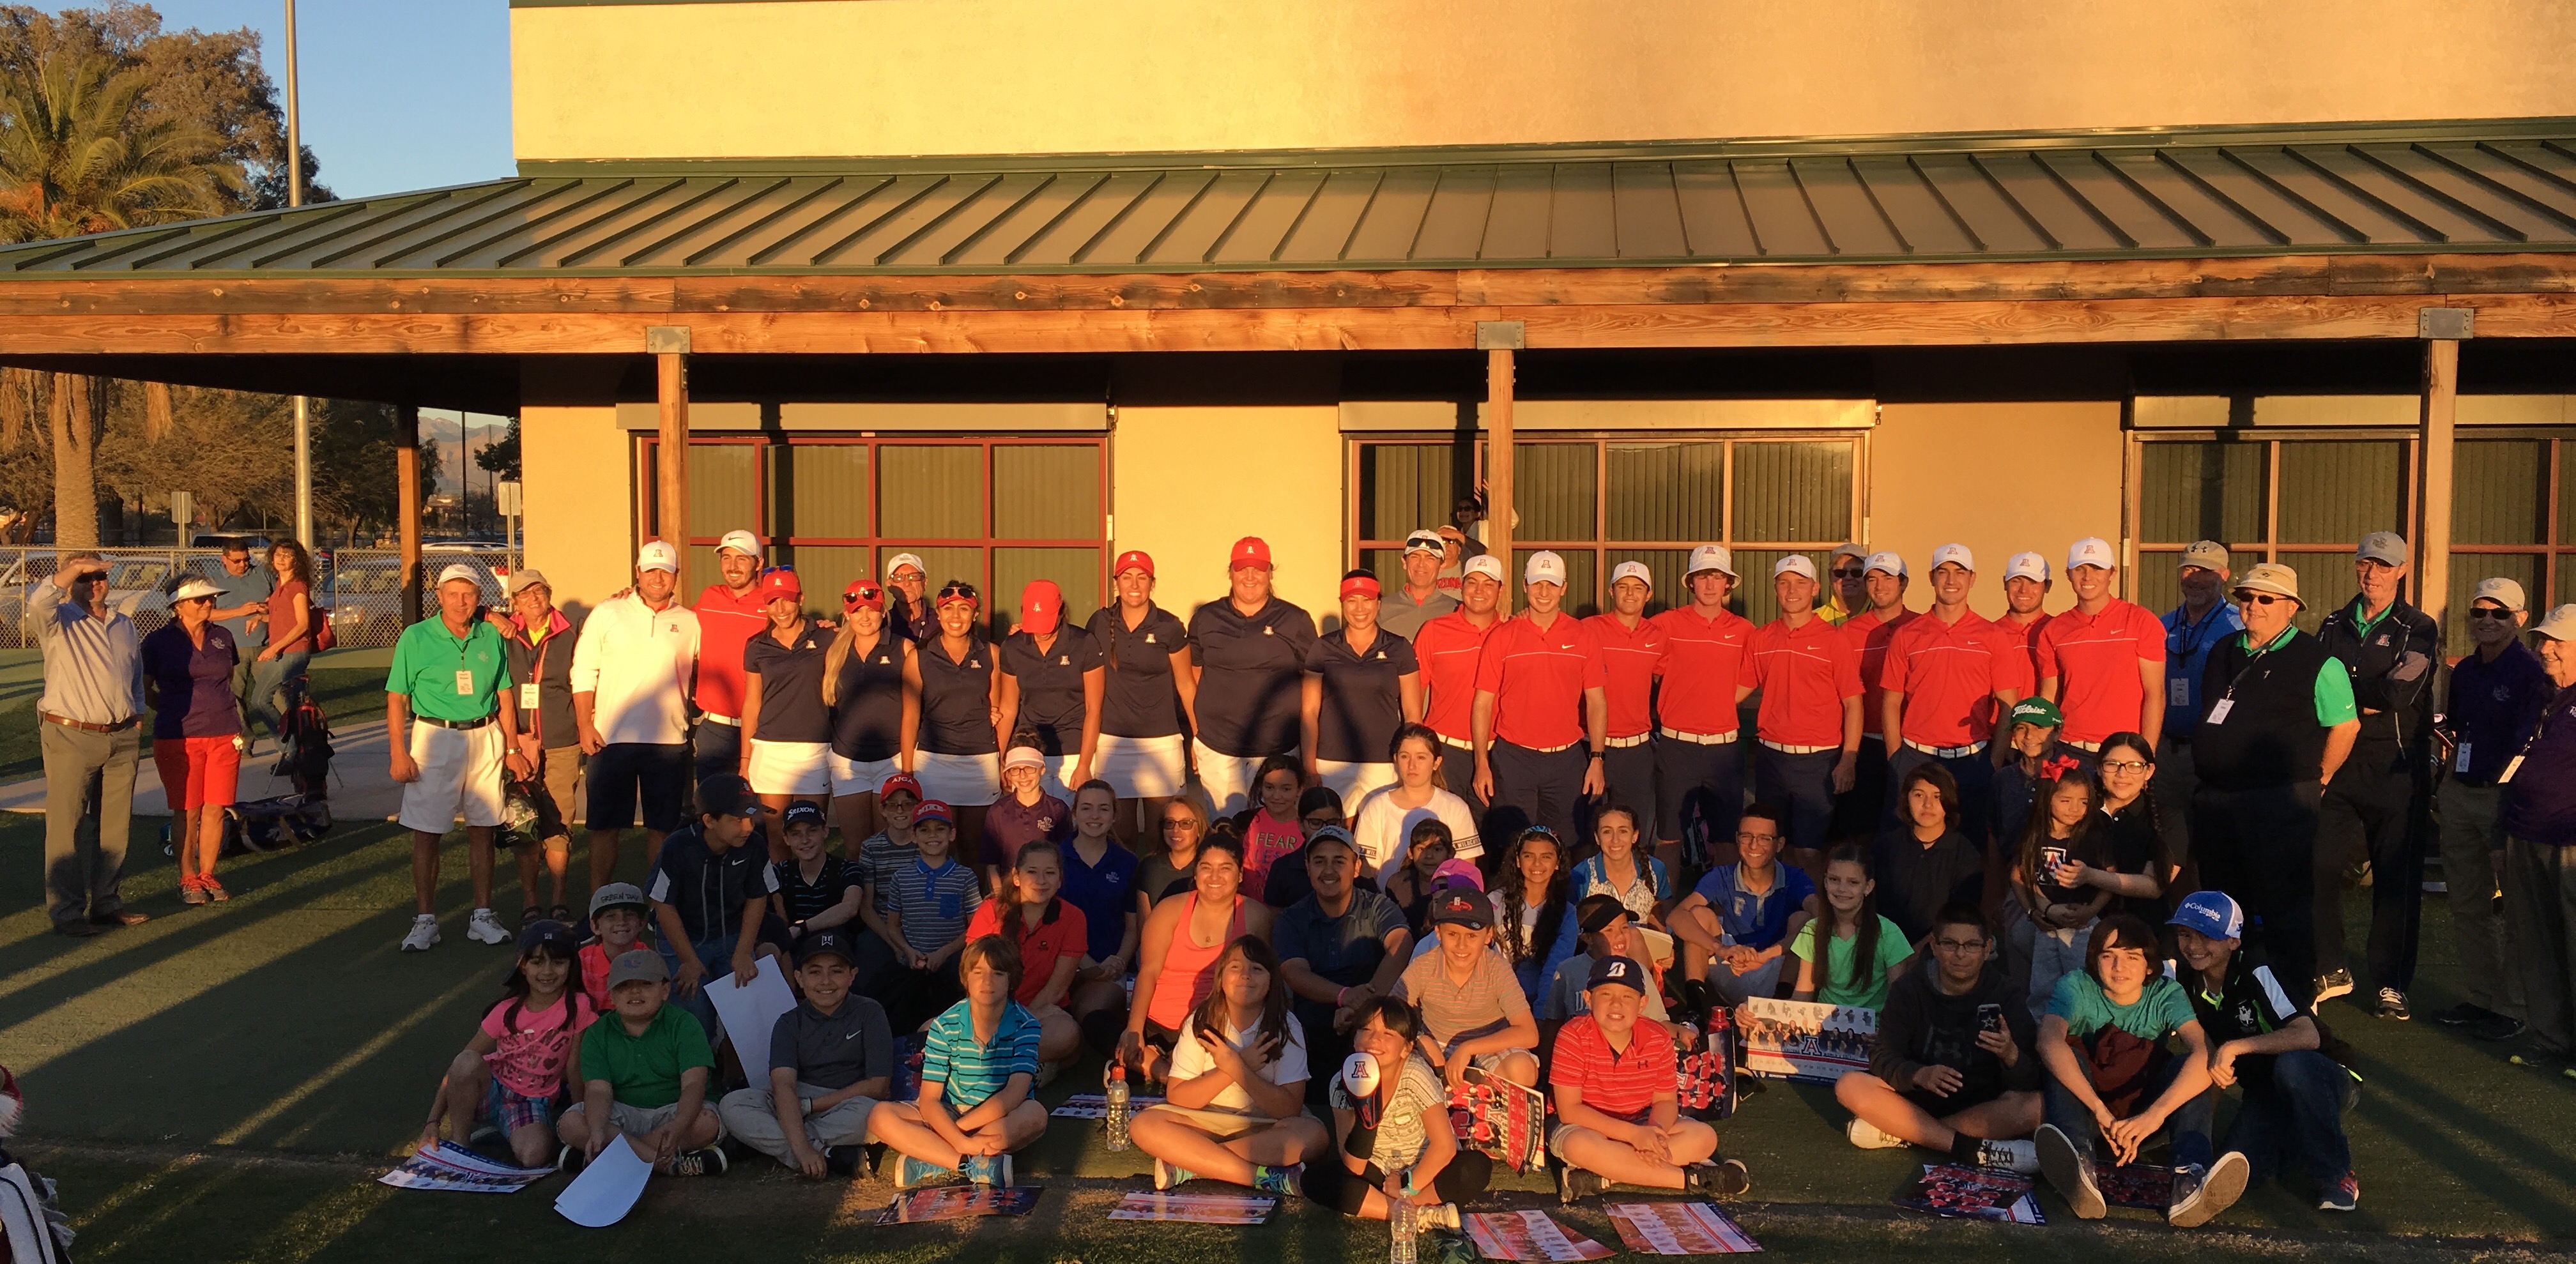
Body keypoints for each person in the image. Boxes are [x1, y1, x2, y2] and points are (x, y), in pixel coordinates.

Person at [2189, 563, 2359, 996]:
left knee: (2284, 906)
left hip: (2281, 803)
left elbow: (2346, 726)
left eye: (2266, 598)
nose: (2254, 606)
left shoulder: (2318, 660)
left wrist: (2319, 778)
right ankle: (2225, 993)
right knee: (2223, 904)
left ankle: (2292, 999)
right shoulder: (2224, 649)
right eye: (2247, 596)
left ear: (2290, 607)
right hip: (2219, 801)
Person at [2314, 531, 2444, 1019]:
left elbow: (2397, 693)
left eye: (2384, 566)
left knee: (2395, 879)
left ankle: (2390, 981)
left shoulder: (2420, 627)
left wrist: (2344, 692)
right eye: (2366, 564)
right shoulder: (2334, 623)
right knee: (2320, 863)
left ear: (2402, 571)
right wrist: (2358, 695)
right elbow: (2315, 688)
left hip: (2396, 768)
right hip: (2339, 758)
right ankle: (2329, 966)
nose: (2373, 574)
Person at [2168, 890, 2361, 1215]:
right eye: (2186, 935)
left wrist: (2236, 1046)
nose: (2194, 946)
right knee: (2242, 1171)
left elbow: (2308, 1036)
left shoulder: (2256, 970)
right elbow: (2209, 1062)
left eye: (2207, 936)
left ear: (2233, 941)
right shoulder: (2188, 977)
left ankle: (2337, 1175)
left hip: (2328, 1073)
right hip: (2267, 1088)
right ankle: (2291, 1138)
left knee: (2293, 1067)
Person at [2032, 916, 2218, 1225]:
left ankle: (2191, 1175)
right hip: (2089, 1110)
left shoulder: (2165, 993)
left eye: (2132, 957)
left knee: (2190, 1065)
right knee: (2066, 1055)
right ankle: (2079, 1164)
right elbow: (2048, 1041)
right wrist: (2099, 1110)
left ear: (2149, 965)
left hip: (2144, 1112)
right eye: (2109, 956)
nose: (2119, 967)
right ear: (2095, 960)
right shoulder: (2075, 985)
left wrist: (2154, 1115)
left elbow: (2205, 1053)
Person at [1835, 902, 2041, 1172]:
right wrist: (1918, 1074)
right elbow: (1882, 1055)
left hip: (1979, 1105)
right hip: (1915, 1099)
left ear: (1987, 948)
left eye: (1971, 945)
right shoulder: (1909, 989)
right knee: (1849, 1085)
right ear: (1933, 946)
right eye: (1950, 944)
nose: (1960, 954)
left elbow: (2031, 1078)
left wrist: (2010, 1055)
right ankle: (1974, 1149)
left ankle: (1902, 1135)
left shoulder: (2006, 993)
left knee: (2037, 1105)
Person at [2431, 577, 2547, 1041]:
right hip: (2461, 791)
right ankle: (2481, 997)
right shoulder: (2464, 671)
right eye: (2479, 612)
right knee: (2467, 903)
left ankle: (2513, 1005)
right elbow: (2458, 726)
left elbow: (2526, 746)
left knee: (2516, 908)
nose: (2487, 621)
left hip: (2505, 800)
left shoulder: (2530, 673)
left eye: (2499, 613)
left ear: (2518, 619)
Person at [390, 563, 525, 952]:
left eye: (468, 595)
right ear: (440, 596)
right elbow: (397, 698)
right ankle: (425, 920)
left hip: (485, 735)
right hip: (434, 737)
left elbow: (504, 694)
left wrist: (513, 748)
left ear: (479, 599)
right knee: (427, 832)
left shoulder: (490, 635)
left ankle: (482, 915)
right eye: (453, 594)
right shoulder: (415, 637)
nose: (460, 602)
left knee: (483, 829)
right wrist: (398, 751)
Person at [1130, 936, 1328, 1194]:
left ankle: (1191, 1166)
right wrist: (1234, 1067)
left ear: (1271, 981)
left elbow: (1288, 1108)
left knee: (1314, 1137)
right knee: (1143, 1125)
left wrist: (1239, 1070)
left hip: (1264, 1125)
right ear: (1221, 978)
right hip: (1206, 1122)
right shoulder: (1200, 1020)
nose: (1245, 976)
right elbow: (1178, 1096)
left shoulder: (1286, 1026)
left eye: (1257, 969)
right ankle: (1259, 1177)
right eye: (1235, 968)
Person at [1549, 956, 1745, 1201]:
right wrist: (1634, 1137)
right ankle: (1692, 1180)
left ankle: (1604, 1176)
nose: (1616, 1005)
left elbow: (1665, 1101)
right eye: (1606, 995)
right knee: (1578, 1146)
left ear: (1643, 1004)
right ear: (1589, 999)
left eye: (1627, 997)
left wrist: (1654, 1133)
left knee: (1705, 1137)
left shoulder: (1657, 1037)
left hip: (1641, 1120)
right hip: (1589, 1127)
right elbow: (1570, 1111)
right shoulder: (1573, 1036)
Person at [866, 936, 1050, 1189]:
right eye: (978, 972)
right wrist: (959, 1139)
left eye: (997, 974)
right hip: (948, 1110)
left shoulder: (1026, 1025)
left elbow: (1014, 1094)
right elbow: (930, 1100)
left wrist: (957, 1133)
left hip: (998, 1115)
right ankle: (966, 1163)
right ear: (965, 977)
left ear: (1011, 981)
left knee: (1036, 1114)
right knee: (879, 1115)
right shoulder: (944, 1024)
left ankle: (932, 1157)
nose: (987, 982)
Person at [571, 541, 700, 889]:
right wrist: (585, 724)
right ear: (638, 573)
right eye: (651, 570)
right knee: (605, 827)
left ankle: (659, 905)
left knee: (663, 829)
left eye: (666, 571)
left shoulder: (691, 622)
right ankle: (599, 903)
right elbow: (583, 671)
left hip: (669, 742)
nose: (658, 578)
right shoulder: (608, 612)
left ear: (675, 576)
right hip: (611, 739)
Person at [33, 552, 148, 938]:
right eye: (85, 577)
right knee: (67, 827)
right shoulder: (58, 621)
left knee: (114, 829)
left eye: (99, 576)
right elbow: (40, 599)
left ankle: (106, 904)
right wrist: (72, 571)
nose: (93, 583)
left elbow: (134, 675)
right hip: (71, 735)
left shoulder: (124, 625)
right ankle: (66, 913)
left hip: (120, 736)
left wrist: (137, 714)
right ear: (71, 580)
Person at [714, 929, 893, 1177]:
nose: (826, 981)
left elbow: (878, 1086)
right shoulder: (789, 1022)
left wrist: (810, 1107)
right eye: (815, 972)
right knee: (733, 1104)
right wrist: (802, 1149)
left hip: (847, 1101)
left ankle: (768, 1142)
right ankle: (827, 1155)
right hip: (796, 1096)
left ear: (852, 976)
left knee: (875, 1115)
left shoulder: (870, 1012)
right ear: (799, 978)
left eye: (837, 971)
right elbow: (783, 1086)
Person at [423, 920, 595, 1168]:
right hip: (490, 1090)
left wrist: (580, 1115)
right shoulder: (506, 1010)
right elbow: (459, 1067)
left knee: (534, 1156)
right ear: (522, 965)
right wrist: (433, 1122)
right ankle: (461, 1146)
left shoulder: (579, 1005)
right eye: (537, 962)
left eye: (558, 962)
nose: (547, 971)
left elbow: (574, 1066)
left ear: (571, 965)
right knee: (467, 1060)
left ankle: (501, 1132)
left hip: (531, 1101)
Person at [1882, 544, 2023, 846]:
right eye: (1943, 572)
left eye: (1960, 572)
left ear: (1972, 579)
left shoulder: (1992, 636)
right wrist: (1896, 759)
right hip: (1915, 758)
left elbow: (2008, 702)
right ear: (1931, 577)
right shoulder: (1907, 634)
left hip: (1972, 762)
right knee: (1904, 847)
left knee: (1971, 851)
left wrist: (1994, 763)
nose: (1951, 580)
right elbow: (1891, 700)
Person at [1305, 997, 1481, 1224]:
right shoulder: (1341, 1082)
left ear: (1406, 1049)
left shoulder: (1416, 1074)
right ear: (1355, 1038)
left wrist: (1407, 1186)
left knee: (1475, 1167)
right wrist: (1367, 1110)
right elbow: (1354, 1166)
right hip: (1376, 1169)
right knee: (1315, 1179)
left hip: (1424, 1169)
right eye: (1365, 1029)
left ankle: (1393, 1206)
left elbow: (1444, 1147)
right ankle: (1417, 1215)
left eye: (1388, 1034)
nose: (1374, 1039)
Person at [1474, 551, 1609, 841]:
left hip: (1566, 759)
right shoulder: (1502, 636)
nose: (1544, 592)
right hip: (1513, 758)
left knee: (1565, 846)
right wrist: (1481, 762)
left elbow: (1597, 701)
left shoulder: (1583, 635)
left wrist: (1597, 758)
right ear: (1525, 586)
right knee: (1510, 846)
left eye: (1551, 584)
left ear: (1564, 587)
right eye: (1537, 584)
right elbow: (1483, 703)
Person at [557, 948, 726, 1178]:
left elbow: (693, 1085)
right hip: (621, 1112)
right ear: (612, 996)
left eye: (646, 984)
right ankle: (663, 1164)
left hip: (672, 1110)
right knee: (572, 1122)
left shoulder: (685, 1024)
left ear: (665, 990)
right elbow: (598, 1090)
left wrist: (679, 1124)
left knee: (706, 1123)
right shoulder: (598, 1032)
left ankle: (608, 1159)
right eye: (624, 986)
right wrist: (597, 1130)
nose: (634, 991)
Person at [1276, 826, 1414, 1103]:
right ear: (1307, 867)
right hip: (1314, 1025)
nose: (1329, 870)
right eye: (1319, 861)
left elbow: (1402, 944)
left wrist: (1361, 1008)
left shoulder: (1377, 906)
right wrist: (1344, 997)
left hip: (1372, 1017)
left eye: (1339, 861)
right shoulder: (1291, 918)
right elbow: (1294, 972)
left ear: (1356, 867)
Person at [1125, 835, 1276, 1082]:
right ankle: (1165, 1072)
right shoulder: (1169, 909)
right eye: (1206, 868)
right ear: (1195, 873)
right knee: (1098, 1023)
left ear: (1240, 876)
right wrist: (1134, 1030)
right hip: (1161, 1025)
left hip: (1218, 1025)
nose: (1214, 877)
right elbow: (1149, 971)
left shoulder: (1256, 916)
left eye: (1225, 869)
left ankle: (1151, 1065)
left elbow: (1264, 978)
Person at [647, 773, 784, 1040]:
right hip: (683, 940)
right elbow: (663, 903)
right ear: (709, 820)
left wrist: (744, 951)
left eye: (751, 818)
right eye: (737, 820)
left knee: (747, 1014)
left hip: (733, 937)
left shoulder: (754, 845)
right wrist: (688, 959)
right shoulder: (678, 846)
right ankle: (702, 1073)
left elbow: (758, 896)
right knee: (695, 1017)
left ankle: (736, 1074)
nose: (748, 827)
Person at [1188, 537, 1320, 815]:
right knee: (1227, 833)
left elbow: (1312, 685)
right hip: (1218, 747)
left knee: (1273, 833)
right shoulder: (1206, 618)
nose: (1250, 577)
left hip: (1277, 750)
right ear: (1231, 572)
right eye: (1242, 569)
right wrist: (1197, 732)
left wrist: (1309, 758)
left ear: (1270, 573)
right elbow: (1195, 674)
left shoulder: (1295, 620)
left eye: (1258, 569)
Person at [2501, 604, 2576, 1082]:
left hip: (2570, 841)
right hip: (2524, 832)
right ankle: (2551, 1038)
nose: (2545, 648)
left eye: (2558, 642)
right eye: (2544, 639)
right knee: (2537, 943)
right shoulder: (2542, 695)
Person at [1747, 554, 1862, 861]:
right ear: (1775, 589)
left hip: (1819, 762)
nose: (1792, 590)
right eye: (1784, 583)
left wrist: (1848, 759)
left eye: (1800, 583)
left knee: (1810, 853)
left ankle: (1811, 911)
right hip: (1771, 757)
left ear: (1815, 589)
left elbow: (1853, 703)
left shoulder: (1834, 640)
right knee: (1770, 849)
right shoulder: (1762, 637)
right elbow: (1738, 690)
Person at [1649, 545, 1754, 870]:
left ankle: (1722, 913)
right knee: (1669, 837)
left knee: (1725, 839)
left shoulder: (1744, 631)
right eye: (1703, 576)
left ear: (1728, 584)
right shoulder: (1665, 625)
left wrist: (1718, 702)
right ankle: (1662, 913)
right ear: (1691, 582)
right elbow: (1648, 669)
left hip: (1724, 748)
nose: (1710, 584)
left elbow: (1750, 678)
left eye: (1717, 576)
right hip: (1676, 746)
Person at [1085, 549, 1198, 847]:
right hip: (1112, 742)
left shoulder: (1169, 626)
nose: (1134, 585)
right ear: (1116, 584)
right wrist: (1024, 634)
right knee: (1118, 837)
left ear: (1152, 583)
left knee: (1160, 836)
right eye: (1127, 577)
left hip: (1161, 741)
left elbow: (1186, 685)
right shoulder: (1098, 622)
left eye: (1142, 577)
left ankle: (1155, 893)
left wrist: (1198, 738)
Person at [489, 569, 583, 925]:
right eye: (523, 595)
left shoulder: (571, 633)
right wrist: (492, 615)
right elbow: (465, 610)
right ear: (513, 602)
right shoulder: (503, 634)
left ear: (549, 593)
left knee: (559, 820)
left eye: (538, 591)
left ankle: (559, 900)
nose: (533, 599)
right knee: (523, 820)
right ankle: (531, 902)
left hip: (562, 739)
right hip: (518, 743)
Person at [142, 577, 242, 906]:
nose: (208, 604)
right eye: (200, 600)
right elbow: (144, 689)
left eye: (211, 599)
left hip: (225, 732)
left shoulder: (223, 637)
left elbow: (226, 679)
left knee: (216, 808)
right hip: (178, 737)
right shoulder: (158, 642)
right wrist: (173, 710)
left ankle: (208, 873)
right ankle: (187, 876)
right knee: (188, 810)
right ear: (178, 605)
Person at [1393, 887, 1542, 1088]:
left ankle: (1492, 1111)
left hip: (1488, 1046)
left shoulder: (1497, 968)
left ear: (1489, 935)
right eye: (1453, 934)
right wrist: (1420, 1039)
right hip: (1436, 1046)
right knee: (1392, 1055)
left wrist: (1468, 1048)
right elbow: (1390, 1015)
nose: (1461, 945)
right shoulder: (1423, 966)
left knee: (1522, 1069)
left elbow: (1529, 1033)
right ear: (1438, 932)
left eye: (1472, 936)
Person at [2035, 537, 2167, 759]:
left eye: (2097, 568)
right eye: (2080, 569)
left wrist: (2146, 756)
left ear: (2112, 574)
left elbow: (2155, 694)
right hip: (2069, 749)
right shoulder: (2054, 630)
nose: (2088, 577)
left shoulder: (2141, 621)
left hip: (2124, 752)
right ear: (2069, 574)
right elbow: (2049, 697)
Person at [2157, 542, 2241, 885]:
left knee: (2211, 843)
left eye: (2206, 571)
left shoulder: (2238, 626)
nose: (2195, 579)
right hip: (2166, 749)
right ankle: (2176, 923)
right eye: (2189, 570)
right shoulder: (2162, 625)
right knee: (2169, 844)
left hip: (2210, 753)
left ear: (2224, 575)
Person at [1671, 803, 1818, 1001]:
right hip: (1734, 961)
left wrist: (1765, 956)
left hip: (1776, 964)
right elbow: (1676, 916)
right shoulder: (1722, 875)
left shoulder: (1794, 877)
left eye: (1764, 838)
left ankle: (1781, 1004)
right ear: (1737, 839)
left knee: (1804, 920)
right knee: (1698, 914)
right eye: (1746, 836)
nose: (1754, 846)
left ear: (1780, 844)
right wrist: (1721, 949)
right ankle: (1695, 1008)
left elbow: (1822, 917)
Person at [964, 838, 1089, 1067]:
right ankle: (1019, 1064)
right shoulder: (990, 911)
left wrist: (1017, 1023)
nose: (1041, 881)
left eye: (1050, 873)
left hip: (1041, 1013)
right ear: (1017, 877)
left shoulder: (1073, 918)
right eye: (1032, 872)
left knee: (1066, 1034)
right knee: (929, 1028)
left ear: (1060, 879)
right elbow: (975, 975)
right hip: (989, 1010)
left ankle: (986, 1063)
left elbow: (1056, 989)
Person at [1303, 570, 1423, 804]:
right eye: (1352, 601)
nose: (1359, 609)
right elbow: (1309, 711)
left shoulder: (1399, 648)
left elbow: (1412, 714)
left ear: (1378, 603)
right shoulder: (1322, 647)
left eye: (1367, 600)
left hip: (1384, 762)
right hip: (1331, 763)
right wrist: (1310, 766)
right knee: (1332, 834)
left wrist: (1408, 761)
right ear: (1342, 603)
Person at [2004, 766, 2112, 1019]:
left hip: (2082, 923)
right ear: (2047, 798)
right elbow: (2021, 875)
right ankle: (2042, 1030)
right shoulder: (2034, 835)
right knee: (2044, 981)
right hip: (2048, 924)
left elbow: (2110, 878)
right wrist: (2036, 909)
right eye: (2066, 800)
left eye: (2083, 802)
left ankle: (2084, 1027)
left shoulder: (2092, 837)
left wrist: (2092, 910)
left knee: (2082, 977)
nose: (2075, 808)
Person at [905, 580, 1006, 841]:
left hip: (980, 762)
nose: (956, 616)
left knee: (976, 848)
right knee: (936, 846)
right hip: (934, 762)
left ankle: (975, 886)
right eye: (948, 609)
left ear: (975, 615)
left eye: (964, 609)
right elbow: (910, 717)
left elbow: (995, 708)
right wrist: (907, 772)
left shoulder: (991, 653)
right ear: (937, 614)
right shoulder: (919, 656)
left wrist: (1001, 759)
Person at [739, 567, 836, 829]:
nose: (780, 608)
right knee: (776, 835)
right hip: (770, 749)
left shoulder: (828, 637)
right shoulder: (756, 646)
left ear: (801, 598)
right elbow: (751, 704)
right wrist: (745, 761)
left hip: (815, 750)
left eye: (787, 599)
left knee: (811, 833)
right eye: (772, 601)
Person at [1831, 551, 1916, 845]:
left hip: (1912, 744)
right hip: (1865, 745)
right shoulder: (1849, 633)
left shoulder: (1921, 628)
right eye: (1872, 579)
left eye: (1887, 578)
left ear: (1903, 583)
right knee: (1860, 835)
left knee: (1906, 830)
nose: (1879, 586)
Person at [878, 798, 984, 1032]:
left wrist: (944, 952)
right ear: (914, 836)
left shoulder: (965, 877)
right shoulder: (901, 878)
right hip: (912, 965)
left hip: (953, 965)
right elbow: (893, 927)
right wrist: (908, 950)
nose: (932, 836)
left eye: (940, 829)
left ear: (952, 834)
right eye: (924, 830)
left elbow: (975, 929)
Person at [1414, 553, 1508, 811]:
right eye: (1472, 582)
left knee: (1490, 840)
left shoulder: (1512, 633)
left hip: (1498, 752)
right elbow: (1414, 691)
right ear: (1462, 586)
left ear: (1500, 590)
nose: (1479, 591)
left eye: (1489, 584)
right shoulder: (1434, 630)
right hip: (1445, 751)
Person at [822, 577, 912, 846]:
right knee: (855, 848)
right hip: (848, 762)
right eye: (857, 610)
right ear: (847, 615)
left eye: (871, 609)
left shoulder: (904, 648)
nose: (865, 617)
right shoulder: (835, 651)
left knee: (889, 844)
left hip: (891, 760)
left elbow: (924, 701)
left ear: (883, 612)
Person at [997, 579, 1105, 800]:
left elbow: (1093, 709)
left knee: (1073, 825)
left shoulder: (1085, 643)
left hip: (1075, 750)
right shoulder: (1013, 646)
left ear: (1061, 611)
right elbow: (1008, 708)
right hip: (1028, 749)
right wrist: (999, 759)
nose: (1041, 631)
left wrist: (1084, 764)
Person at [1588, 561, 1668, 848]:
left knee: (1629, 835)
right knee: (1587, 834)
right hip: (1590, 746)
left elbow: (1666, 680)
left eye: (1638, 588)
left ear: (1648, 594)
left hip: (1636, 750)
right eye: (1623, 587)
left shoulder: (1657, 636)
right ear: (1611, 591)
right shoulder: (1589, 630)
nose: (1630, 594)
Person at [1061, 780, 1144, 1056]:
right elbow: (1054, 921)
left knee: (1089, 1011)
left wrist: (1117, 963)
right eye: (1086, 808)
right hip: (1064, 965)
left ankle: (1127, 1062)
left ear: (1115, 815)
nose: (1094, 816)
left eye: (1103, 809)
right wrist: (1090, 965)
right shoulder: (1056, 858)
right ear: (1074, 814)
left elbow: (1133, 926)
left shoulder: (1128, 862)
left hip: (1112, 970)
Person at [1349, 724, 1482, 886]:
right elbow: (1366, 868)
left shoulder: (1456, 807)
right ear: (1396, 759)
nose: (1412, 765)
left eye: (1421, 757)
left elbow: (1466, 870)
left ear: (1436, 762)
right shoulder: (1376, 806)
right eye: (1405, 756)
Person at [1875, 762, 1984, 950]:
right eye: (1919, 795)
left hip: (1940, 952)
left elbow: (1959, 920)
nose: (1928, 805)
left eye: (1938, 796)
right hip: (1882, 948)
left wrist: (1916, 955)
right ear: (1906, 798)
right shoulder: (1885, 847)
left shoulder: (1966, 856)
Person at [690, 528, 770, 782]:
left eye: (742, 559)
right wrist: (631, 596)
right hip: (715, 729)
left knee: (758, 811)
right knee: (713, 810)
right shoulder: (709, 598)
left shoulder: (772, 603)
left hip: (762, 725)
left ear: (759, 563)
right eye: (726, 558)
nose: (733, 566)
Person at [1789, 845, 1912, 1009]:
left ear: (1868, 887)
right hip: (1823, 1025)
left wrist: (1883, 1033)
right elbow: (1802, 995)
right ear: (1825, 882)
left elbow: (1897, 1000)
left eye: (1853, 882)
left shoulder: (1889, 933)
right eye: (1834, 880)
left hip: (1874, 1030)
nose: (1842, 889)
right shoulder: (1812, 930)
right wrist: (1758, 1013)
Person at [2076, 732, 2172, 925]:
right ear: (2099, 768)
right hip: (2077, 920)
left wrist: (2089, 875)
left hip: (2143, 927)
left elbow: (2154, 886)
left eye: (2134, 766)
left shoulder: (2168, 815)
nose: (2122, 774)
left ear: (2149, 771)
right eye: (2112, 764)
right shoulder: (2078, 809)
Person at [1545, 895, 1673, 1024]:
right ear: (1587, 938)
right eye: (1609, 930)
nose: (1620, 935)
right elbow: (1553, 1022)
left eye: (1624, 927)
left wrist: (1680, 1032)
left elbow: (1658, 1022)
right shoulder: (1568, 971)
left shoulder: (1640, 971)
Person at [1493, 826, 1579, 1008]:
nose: (1537, 864)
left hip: (1539, 1002)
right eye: (1529, 856)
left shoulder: (1567, 913)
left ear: (1557, 863)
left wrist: (1540, 1013)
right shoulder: (1494, 902)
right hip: (1495, 999)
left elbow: (1555, 968)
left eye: (1546, 857)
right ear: (1517, 861)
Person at [247, 539, 315, 748]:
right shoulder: (279, 585)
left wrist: (274, 648)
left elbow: (303, 624)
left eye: (287, 555)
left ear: (297, 559)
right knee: (269, 701)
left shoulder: (297, 586)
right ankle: (292, 747)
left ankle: (290, 746)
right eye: (278, 555)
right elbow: (282, 618)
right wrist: (260, 618)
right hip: (281, 651)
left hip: (293, 652)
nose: (282, 559)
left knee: (260, 699)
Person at [203, 538, 272, 736]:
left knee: (273, 695)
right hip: (231, 648)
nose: (243, 565)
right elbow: (207, 614)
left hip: (264, 646)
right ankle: (244, 743)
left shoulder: (263, 574)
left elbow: (278, 602)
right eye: (237, 561)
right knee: (234, 698)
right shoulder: (213, 581)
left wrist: (264, 608)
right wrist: (239, 612)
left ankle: (286, 739)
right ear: (223, 559)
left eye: (246, 560)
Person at [770, 802, 862, 947]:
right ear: (786, 839)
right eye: (796, 834)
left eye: (812, 831)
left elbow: (850, 907)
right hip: (796, 947)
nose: (805, 840)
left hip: (838, 947)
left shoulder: (847, 868)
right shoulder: (780, 872)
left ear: (825, 831)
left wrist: (801, 928)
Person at [979, 745, 1071, 887]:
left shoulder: (1058, 809)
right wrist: (999, 896)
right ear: (1008, 775)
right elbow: (992, 864)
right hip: (1009, 892)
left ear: (1042, 770)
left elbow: (1066, 859)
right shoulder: (998, 810)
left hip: (1047, 890)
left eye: (1029, 768)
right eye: (1015, 770)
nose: (1023, 776)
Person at [1570, 806, 1670, 927]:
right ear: (1597, 837)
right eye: (1607, 832)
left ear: (1635, 835)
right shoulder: (1581, 875)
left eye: (1623, 831)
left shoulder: (1656, 869)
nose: (1615, 840)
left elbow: (1659, 916)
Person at [1263, 785, 1351, 909]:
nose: (1324, 830)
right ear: (1301, 824)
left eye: (1332, 823)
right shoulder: (1283, 869)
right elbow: (1273, 918)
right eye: (1315, 823)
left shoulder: (1352, 864)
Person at [1237, 756, 1310, 898]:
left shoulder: (1308, 827)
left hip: (1290, 910)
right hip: (1249, 908)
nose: (1277, 796)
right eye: (1269, 787)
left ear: (1300, 790)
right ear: (1261, 787)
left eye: (1286, 789)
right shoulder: (1244, 821)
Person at [579, 882, 652, 1010]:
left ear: (641, 923)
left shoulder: (651, 962)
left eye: (629, 914)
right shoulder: (580, 962)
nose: (621, 922)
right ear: (595, 926)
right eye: (611, 916)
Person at [1135, 791, 1211, 912]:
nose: (1176, 830)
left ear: (1199, 829)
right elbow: (1144, 923)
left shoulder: (1210, 868)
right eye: (1170, 823)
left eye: (1185, 824)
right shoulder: (1149, 867)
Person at [1382, 529, 1460, 640]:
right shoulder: (1380, 609)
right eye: (1415, 556)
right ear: (1404, 562)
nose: (1421, 564)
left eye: (1430, 558)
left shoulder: (1457, 610)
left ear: (1442, 566)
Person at [1383, 819, 1459, 933]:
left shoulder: (1459, 888)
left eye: (1437, 849)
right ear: (1410, 853)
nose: (1429, 856)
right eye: (1421, 849)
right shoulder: (1397, 884)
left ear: (1450, 854)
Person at [1998, 551, 2054, 690]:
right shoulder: (1990, 634)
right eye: (2016, 581)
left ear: (2047, 586)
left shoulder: (2058, 631)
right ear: (2005, 583)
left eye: (2033, 582)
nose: (2024, 590)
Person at [883, 552, 937, 644]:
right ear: (889, 585)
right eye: (899, 578)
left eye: (914, 577)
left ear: (925, 583)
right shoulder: (883, 624)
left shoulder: (941, 622)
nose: (907, 583)